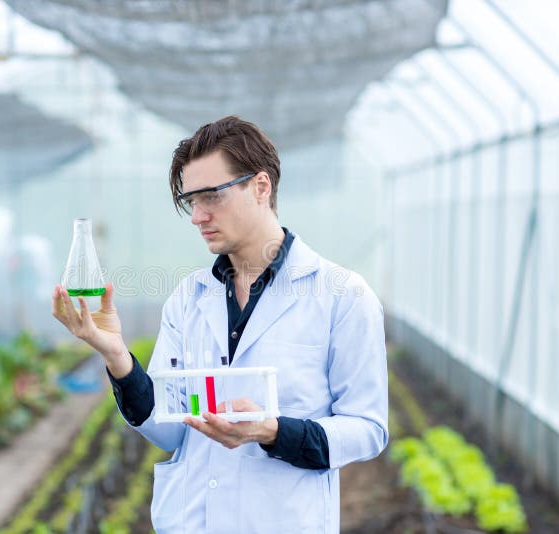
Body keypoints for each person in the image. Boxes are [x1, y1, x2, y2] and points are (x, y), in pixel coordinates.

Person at [51, 116, 388, 533]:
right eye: (190, 201)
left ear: (260, 187)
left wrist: (273, 432)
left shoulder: (341, 296)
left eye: (211, 196)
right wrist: (117, 354)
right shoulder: (188, 298)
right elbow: (171, 430)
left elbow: (368, 428)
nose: (197, 215)